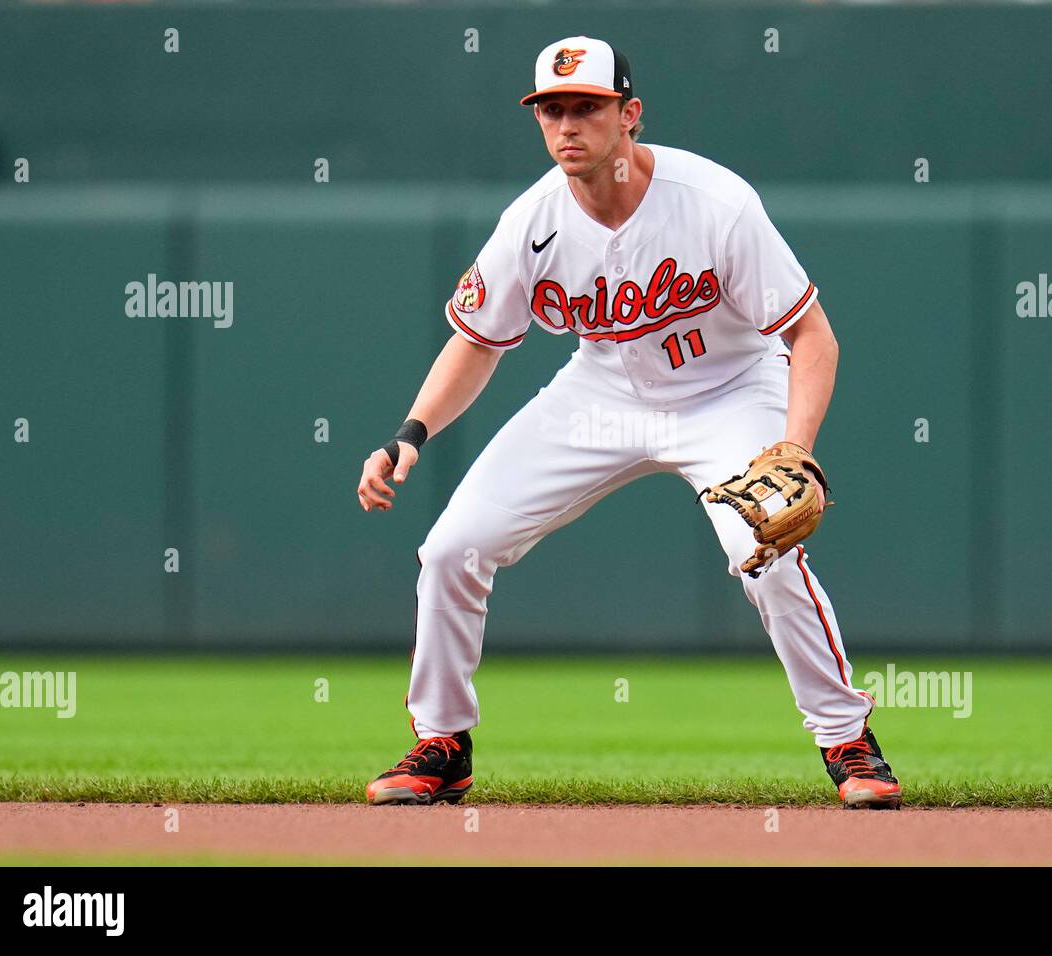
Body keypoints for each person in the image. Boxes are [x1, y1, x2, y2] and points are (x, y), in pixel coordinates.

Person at [356, 36, 901, 809]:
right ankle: (442, 745)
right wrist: (408, 434)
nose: (567, 125)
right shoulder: (531, 223)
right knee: (451, 548)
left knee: (767, 550)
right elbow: (476, 344)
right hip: (601, 395)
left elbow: (813, 335)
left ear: (629, 114)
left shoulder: (714, 201)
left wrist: (794, 448)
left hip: (730, 390)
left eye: (587, 107)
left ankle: (848, 741)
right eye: (552, 109)